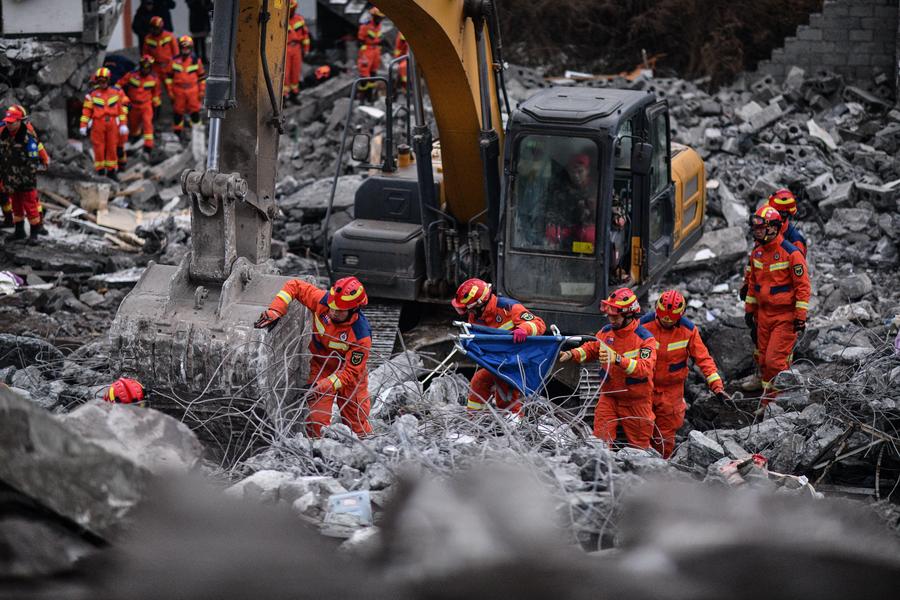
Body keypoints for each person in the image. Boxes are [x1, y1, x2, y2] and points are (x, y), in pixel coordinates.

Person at [254, 276, 373, 438]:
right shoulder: (323, 301)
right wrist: (276, 309)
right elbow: (294, 285)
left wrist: (321, 387)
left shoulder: (361, 335)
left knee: (356, 422)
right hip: (322, 366)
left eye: (339, 310)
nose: (332, 312)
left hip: (350, 378)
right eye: (332, 307)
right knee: (317, 422)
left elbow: (350, 373)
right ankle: (319, 452)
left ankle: (364, 450)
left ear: (353, 310)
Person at [558, 287, 656, 449]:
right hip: (609, 397)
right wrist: (571, 354)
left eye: (615, 316)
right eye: (609, 316)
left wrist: (617, 359)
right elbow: (592, 348)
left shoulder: (645, 339)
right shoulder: (606, 332)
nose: (611, 320)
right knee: (600, 443)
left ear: (629, 314)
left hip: (637, 402)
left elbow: (644, 368)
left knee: (640, 449)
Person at [640, 290, 727, 458]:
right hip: (644, 386)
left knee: (665, 435)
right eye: (663, 319)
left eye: (670, 321)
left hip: (671, 390)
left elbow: (704, 359)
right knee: (640, 428)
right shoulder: (642, 325)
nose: (666, 323)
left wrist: (717, 386)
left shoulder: (688, 330)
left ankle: (662, 466)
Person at [744, 205, 811, 405]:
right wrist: (749, 311)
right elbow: (753, 286)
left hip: (785, 317)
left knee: (775, 361)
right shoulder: (757, 253)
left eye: (761, 228)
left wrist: (800, 316)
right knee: (764, 361)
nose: (756, 232)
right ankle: (768, 403)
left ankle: (782, 402)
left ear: (773, 228)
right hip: (763, 316)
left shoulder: (791, 253)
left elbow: (803, 287)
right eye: (755, 228)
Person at [452, 278, 546, 418]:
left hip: (516, 361)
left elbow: (538, 324)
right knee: (479, 381)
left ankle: (514, 425)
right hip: (498, 360)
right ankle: (473, 420)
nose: (467, 312)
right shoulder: (475, 316)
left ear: (480, 303)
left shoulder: (509, 307)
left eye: (469, 308)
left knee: (505, 393)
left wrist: (524, 329)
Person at [0, 105, 46, 240]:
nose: (9, 124)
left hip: (25, 180)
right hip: (11, 179)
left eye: (12, 122)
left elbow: (32, 163)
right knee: (16, 207)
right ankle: (19, 231)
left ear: (20, 121)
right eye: (7, 121)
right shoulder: (4, 134)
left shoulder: (27, 137)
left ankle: (34, 235)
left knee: (31, 207)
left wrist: (25, 179)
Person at [80, 68, 128, 179]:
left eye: (104, 80)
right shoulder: (92, 95)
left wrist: (123, 124)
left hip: (112, 123)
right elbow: (86, 111)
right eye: (100, 81)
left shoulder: (115, 92)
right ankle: (100, 172)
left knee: (112, 147)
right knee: (99, 148)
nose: (102, 83)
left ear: (109, 80)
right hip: (98, 123)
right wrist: (83, 126)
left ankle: (111, 172)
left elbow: (121, 110)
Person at [546, 153, 597, 251]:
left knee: (590, 236)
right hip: (567, 227)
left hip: (586, 228)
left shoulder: (597, 189)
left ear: (587, 171)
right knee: (551, 233)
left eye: (580, 171)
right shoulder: (560, 188)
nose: (576, 175)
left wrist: (590, 209)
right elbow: (552, 211)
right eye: (573, 172)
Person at [117, 55, 162, 155]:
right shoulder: (132, 75)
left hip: (146, 105)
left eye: (148, 67)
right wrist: (122, 98)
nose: (145, 69)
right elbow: (118, 85)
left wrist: (157, 106)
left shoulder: (154, 78)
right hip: (133, 105)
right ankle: (135, 141)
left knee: (147, 124)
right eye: (144, 67)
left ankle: (148, 147)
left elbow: (156, 93)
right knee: (134, 126)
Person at [167, 36, 206, 138]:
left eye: (187, 48)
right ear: (180, 48)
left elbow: (202, 77)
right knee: (178, 112)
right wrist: (170, 91)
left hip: (193, 90)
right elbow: (169, 78)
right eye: (183, 48)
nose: (185, 50)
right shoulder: (174, 61)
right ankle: (177, 134)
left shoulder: (196, 60)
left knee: (195, 112)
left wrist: (202, 91)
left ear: (191, 48)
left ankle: (197, 135)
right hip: (178, 90)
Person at [142, 16, 180, 98]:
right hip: (155, 67)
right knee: (156, 89)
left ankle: (177, 107)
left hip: (168, 66)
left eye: (156, 28)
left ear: (161, 27)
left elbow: (176, 53)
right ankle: (157, 108)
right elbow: (145, 54)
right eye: (152, 28)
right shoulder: (148, 38)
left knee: (171, 89)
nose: (154, 30)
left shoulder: (169, 36)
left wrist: (174, 66)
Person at [283, 0, 311, 105]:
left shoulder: (299, 19)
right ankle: (284, 97)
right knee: (285, 74)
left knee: (296, 72)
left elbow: (305, 36)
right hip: (286, 48)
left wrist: (306, 49)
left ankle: (294, 94)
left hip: (297, 48)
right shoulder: (281, 20)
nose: (292, 11)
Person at [356, 7, 385, 101]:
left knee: (373, 72)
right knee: (364, 73)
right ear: (374, 16)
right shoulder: (366, 25)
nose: (380, 20)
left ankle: (370, 96)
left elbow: (379, 38)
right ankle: (362, 97)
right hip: (367, 50)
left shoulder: (379, 26)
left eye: (381, 18)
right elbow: (360, 40)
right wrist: (363, 49)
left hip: (376, 50)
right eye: (378, 17)